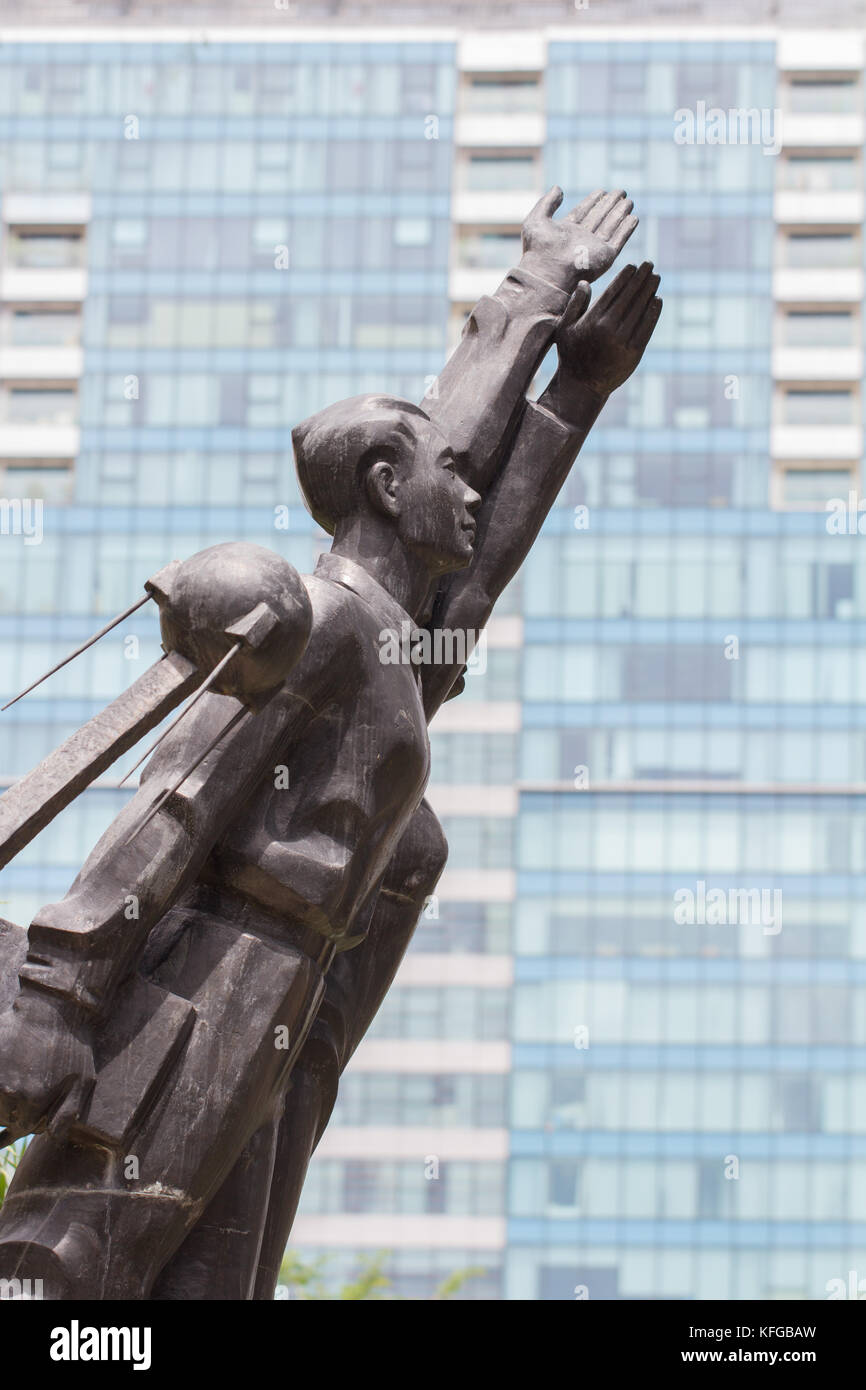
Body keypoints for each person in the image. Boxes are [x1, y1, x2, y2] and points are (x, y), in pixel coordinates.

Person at [0, 189, 660, 1298]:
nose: (470, 492)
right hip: (204, 983)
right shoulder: (319, 621)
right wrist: (55, 999)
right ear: (387, 487)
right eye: (449, 474)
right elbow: (175, 796)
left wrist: (574, 396)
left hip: (287, 1005)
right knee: (73, 1272)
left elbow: (476, 575)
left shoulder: (396, 651)